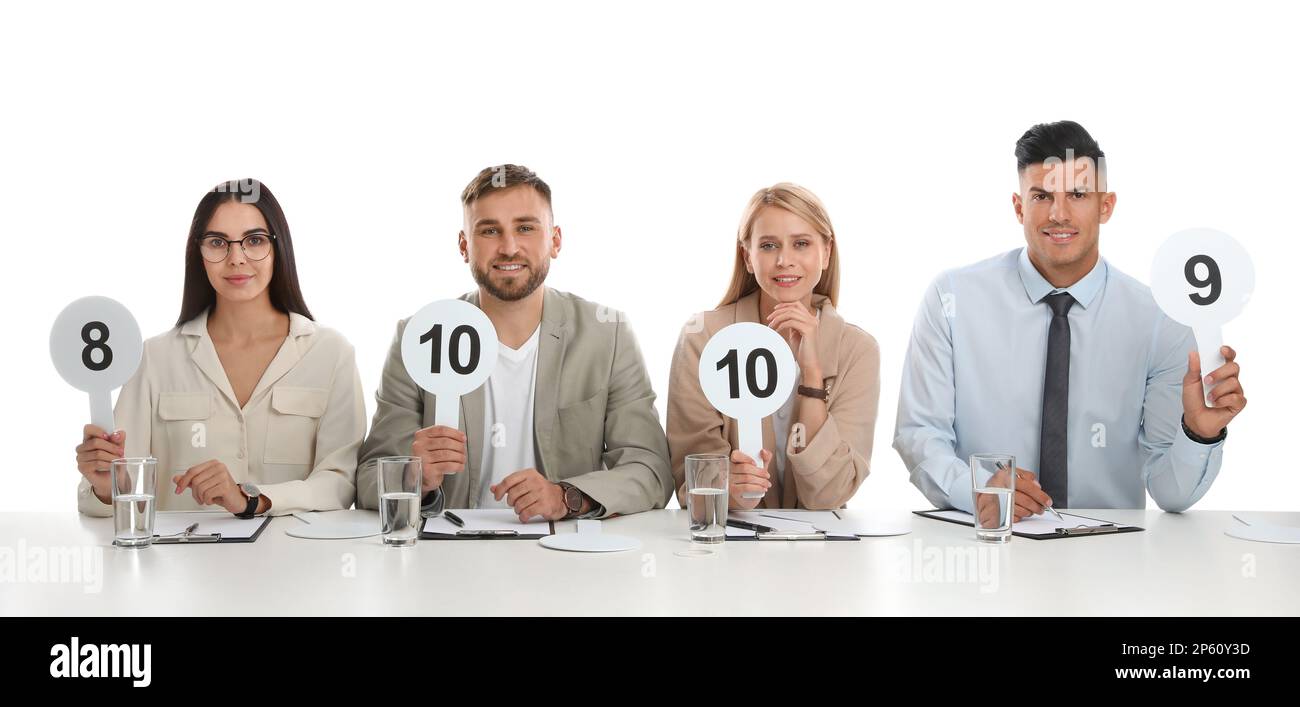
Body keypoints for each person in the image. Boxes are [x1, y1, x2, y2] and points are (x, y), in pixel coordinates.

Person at [894, 121, 1247, 520]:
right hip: (987, 546)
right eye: (1042, 195)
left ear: (1106, 206)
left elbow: (1170, 493)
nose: (1059, 214)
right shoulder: (952, 298)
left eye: (1077, 195)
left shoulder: (1159, 320)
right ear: (1018, 206)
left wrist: (1198, 434)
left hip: (1111, 555)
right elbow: (919, 434)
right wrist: (975, 491)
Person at [357, 164, 672, 522]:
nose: (508, 247)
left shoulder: (607, 334)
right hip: (447, 555)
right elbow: (368, 479)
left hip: (564, 554)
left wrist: (566, 497)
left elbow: (651, 471)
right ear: (464, 246)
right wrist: (414, 477)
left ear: (555, 240)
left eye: (525, 227)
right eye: (489, 230)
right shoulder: (419, 335)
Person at [74, 179, 366, 518]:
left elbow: (340, 483)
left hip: (297, 563)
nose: (236, 258)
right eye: (217, 243)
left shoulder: (331, 354)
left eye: (254, 241)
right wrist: (107, 488)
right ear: (198, 252)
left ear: (279, 247)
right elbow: (120, 495)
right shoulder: (154, 359)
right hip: (182, 567)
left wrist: (251, 499)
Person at [667, 183, 880, 510]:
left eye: (801, 244)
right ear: (747, 257)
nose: (784, 260)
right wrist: (726, 487)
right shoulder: (704, 338)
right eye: (768, 245)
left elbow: (828, 495)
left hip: (824, 554)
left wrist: (812, 376)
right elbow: (690, 475)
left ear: (826, 252)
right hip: (729, 547)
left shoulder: (857, 350)